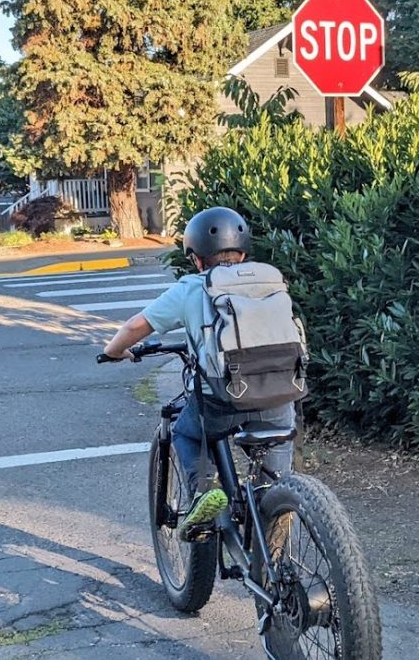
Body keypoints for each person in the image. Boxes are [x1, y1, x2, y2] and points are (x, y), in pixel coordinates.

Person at [103, 206, 296, 539]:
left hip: (224, 398)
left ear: (196, 258)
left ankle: (205, 492)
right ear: (244, 252)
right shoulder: (270, 279)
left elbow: (137, 325)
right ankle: (278, 568)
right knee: (274, 489)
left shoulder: (193, 287)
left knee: (186, 433)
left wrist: (114, 351)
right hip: (282, 389)